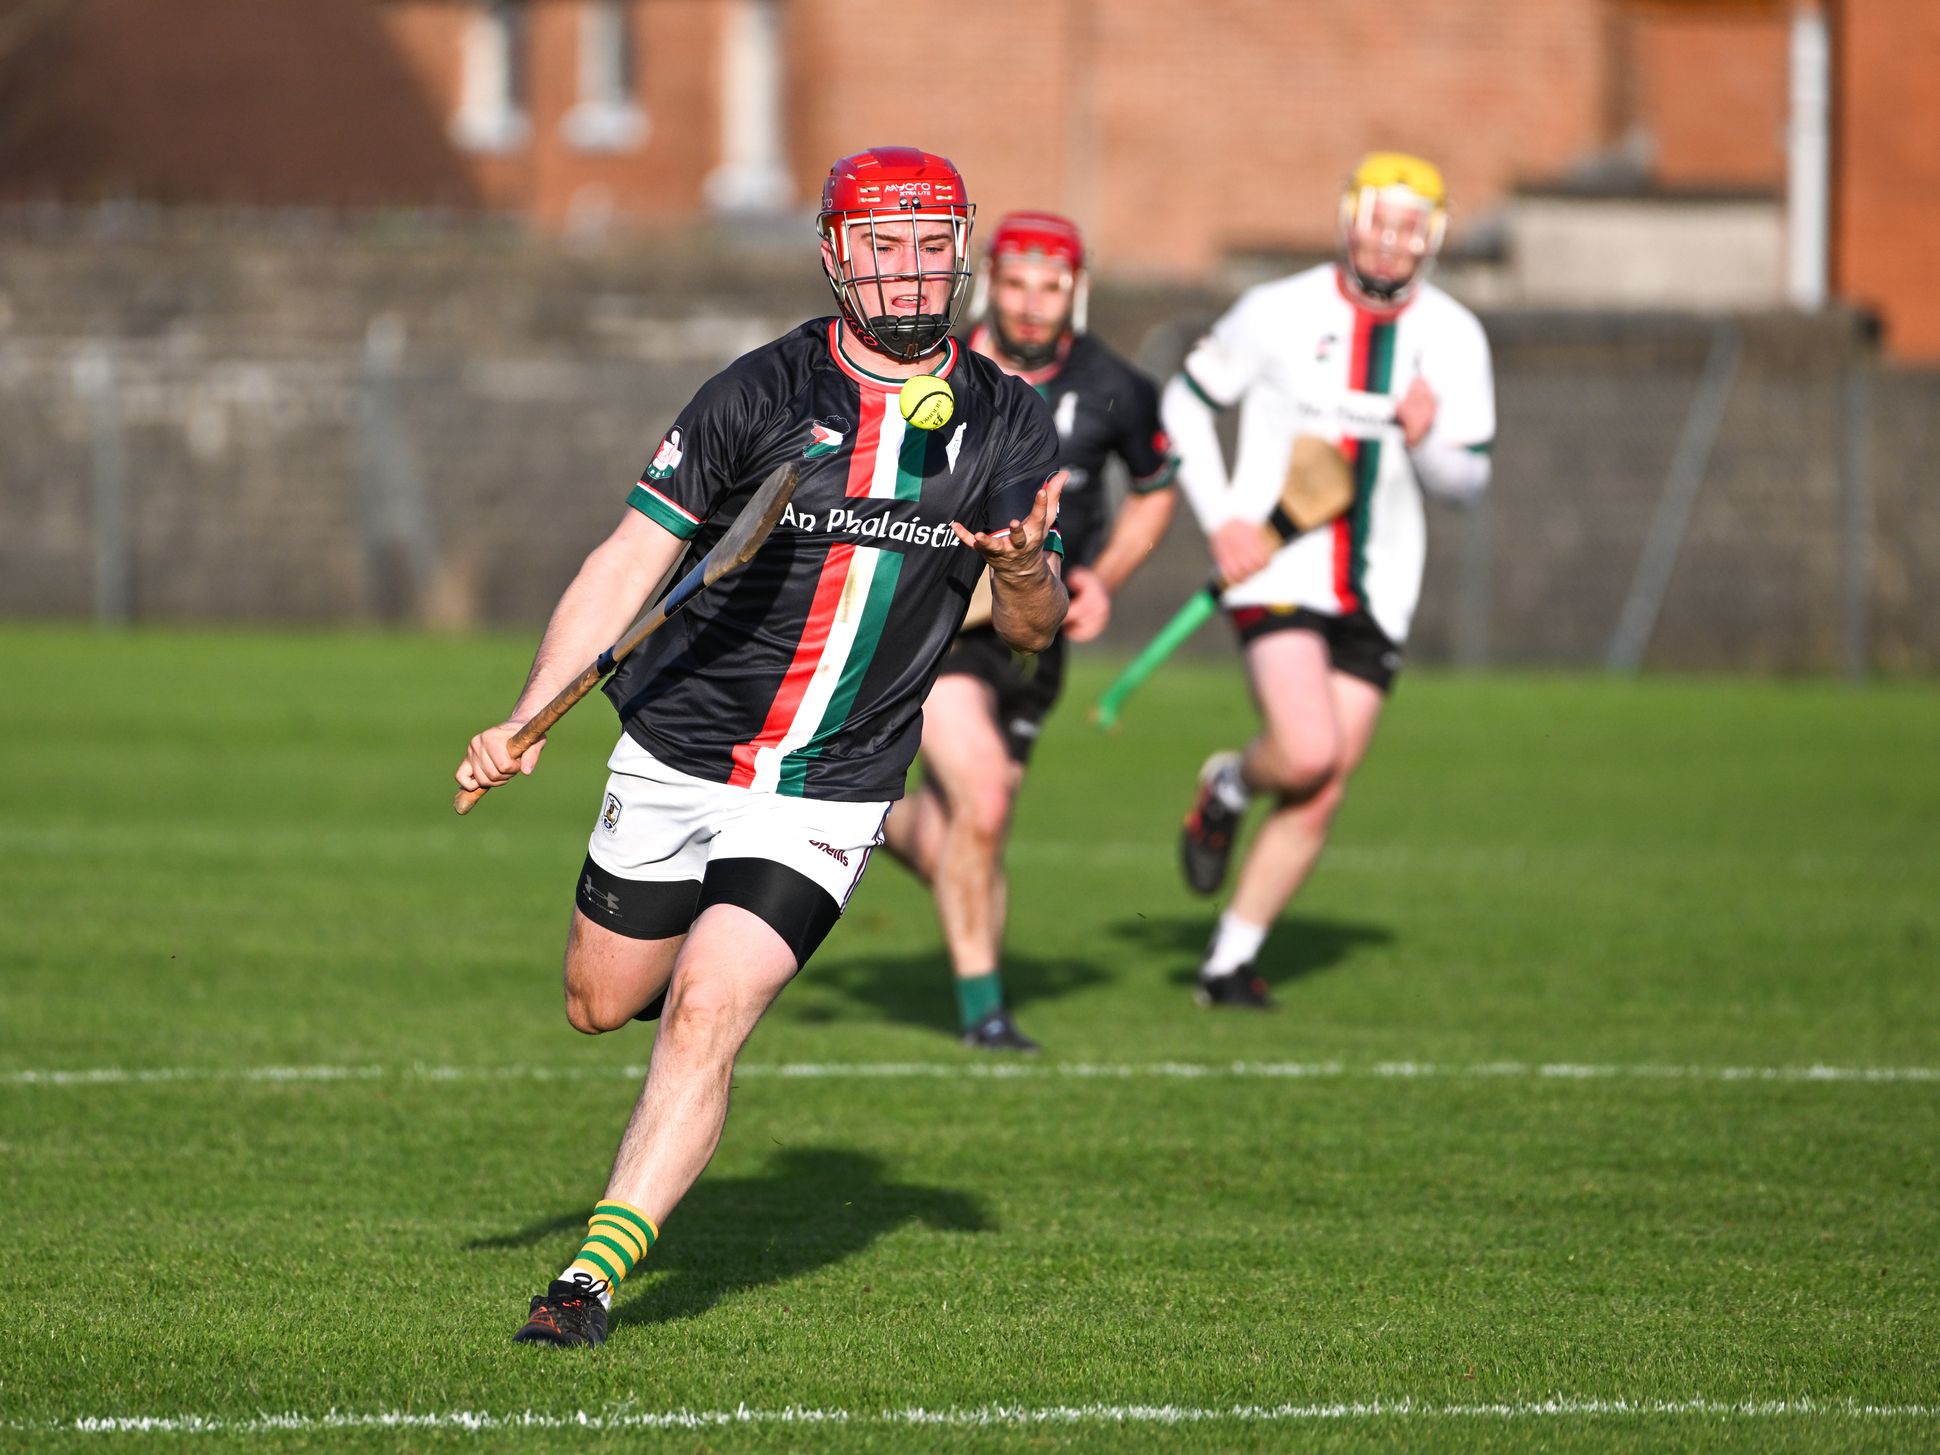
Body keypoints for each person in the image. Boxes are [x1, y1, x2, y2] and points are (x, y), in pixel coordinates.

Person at [454, 146, 1068, 1346]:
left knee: (707, 1012)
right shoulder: (758, 392)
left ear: (961, 251)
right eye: (885, 246)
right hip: (682, 749)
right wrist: (530, 712)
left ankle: (584, 1285)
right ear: (837, 256)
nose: (911, 271)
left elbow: (1035, 632)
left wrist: (1020, 566)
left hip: (832, 789)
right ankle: (657, 941)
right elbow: (630, 558)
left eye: (931, 243)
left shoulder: (1007, 420)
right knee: (601, 1000)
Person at [1162, 152, 1495, 1009]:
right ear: (1350, 220)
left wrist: (1426, 438)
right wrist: (1222, 519)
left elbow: (1470, 481)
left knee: (1322, 787)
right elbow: (1185, 404)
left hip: (1381, 582)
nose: (1392, 242)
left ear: (1434, 237)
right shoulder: (1277, 310)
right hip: (1276, 567)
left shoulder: (1454, 335)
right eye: (1380, 222)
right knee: (1307, 748)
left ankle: (1226, 962)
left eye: (1410, 228)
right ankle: (1231, 785)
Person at [880, 211, 1178, 1051]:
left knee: (976, 828)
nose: (1033, 304)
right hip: (940, 623)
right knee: (986, 797)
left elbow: (1156, 489)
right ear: (988, 281)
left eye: (1052, 287)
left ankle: (859, 810)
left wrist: (1103, 577)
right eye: (1016, 283)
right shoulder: (933, 371)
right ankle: (985, 1010)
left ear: (1075, 293)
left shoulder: (1115, 385)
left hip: (1035, 627)